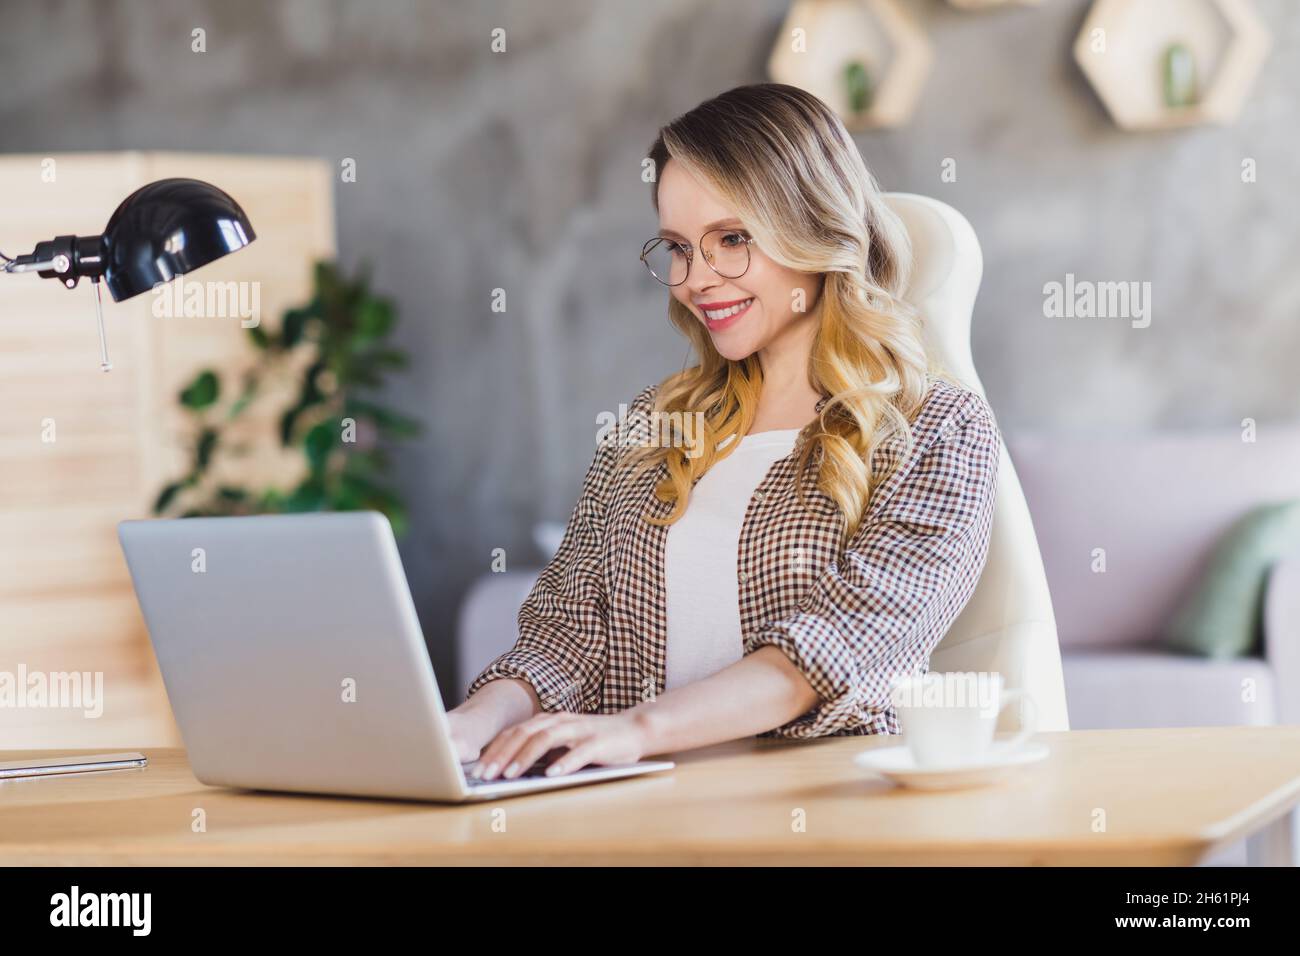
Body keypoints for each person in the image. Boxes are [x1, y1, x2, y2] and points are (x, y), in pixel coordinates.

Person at [448, 83, 1002, 782]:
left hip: (824, 816)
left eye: (732, 240)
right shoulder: (652, 425)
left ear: (815, 228)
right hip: (633, 810)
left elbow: (832, 651)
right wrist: (470, 724)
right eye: (679, 248)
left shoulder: (941, 432)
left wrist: (637, 730)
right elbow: (564, 633)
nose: (696, 280)